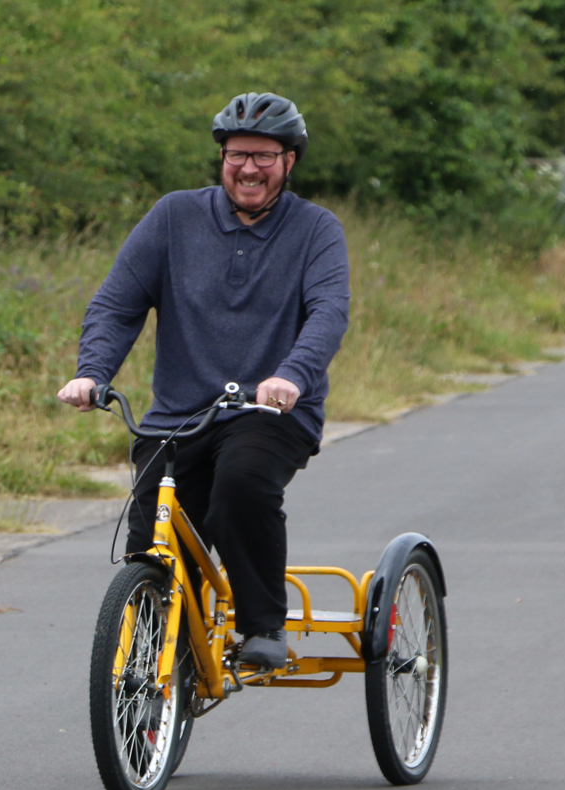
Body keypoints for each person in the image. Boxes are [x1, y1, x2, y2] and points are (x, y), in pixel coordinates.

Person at [58, 92, 349, 669]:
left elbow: (328, 312)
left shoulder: (316, 229)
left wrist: (291, 376)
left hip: (271, 413)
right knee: (153, 536)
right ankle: (155, 675)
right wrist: (92, 372)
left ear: (289, 161)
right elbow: (117, 305)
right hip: (180, 414)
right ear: (222, 158)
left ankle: (262, 624)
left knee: (240, 485)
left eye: (264, 156)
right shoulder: (174, 217)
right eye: (238, 154)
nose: (249, 168)